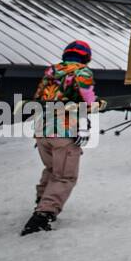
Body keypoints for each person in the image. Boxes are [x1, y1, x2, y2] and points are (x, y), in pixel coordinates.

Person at [22, 40, 96, 235]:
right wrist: (84, 123)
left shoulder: (51, 71)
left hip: (42, 131)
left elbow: (38, 97)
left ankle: (42, 201)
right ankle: (43, 215)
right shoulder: (82, 72)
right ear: (86, 57)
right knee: (64, 175)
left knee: (53, 169)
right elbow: (87, 100)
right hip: (65, 131)